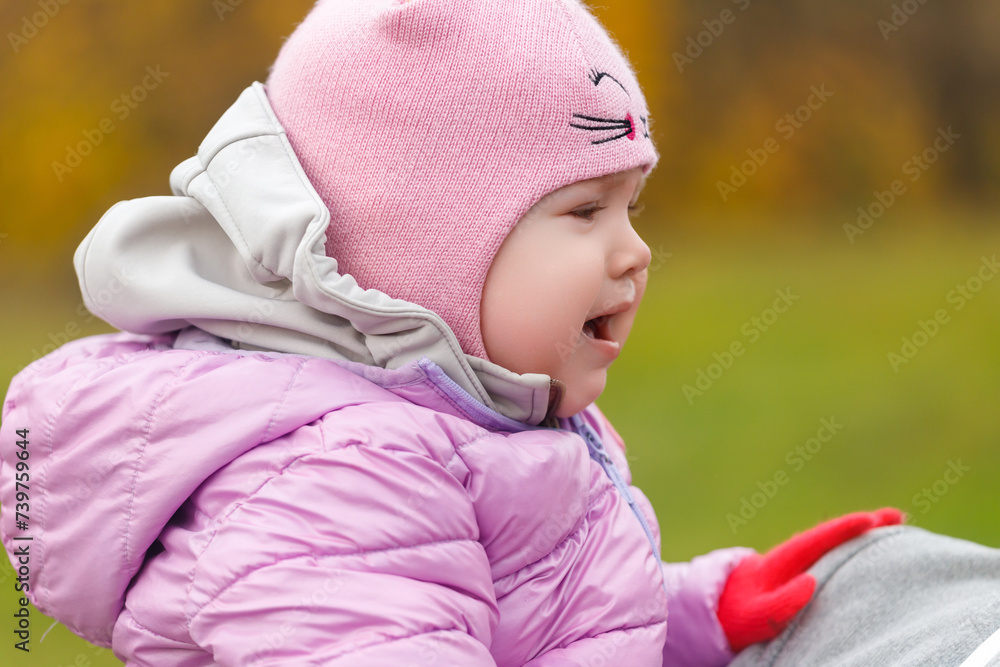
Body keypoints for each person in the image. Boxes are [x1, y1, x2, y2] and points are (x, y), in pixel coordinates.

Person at [0, 1, 903, 665]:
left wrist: (695, 612)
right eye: (585, 210)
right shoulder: (340, 481)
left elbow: (534, 617)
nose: (636, 252)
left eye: (634, 205)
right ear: (414, 259)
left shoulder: (474, 424)